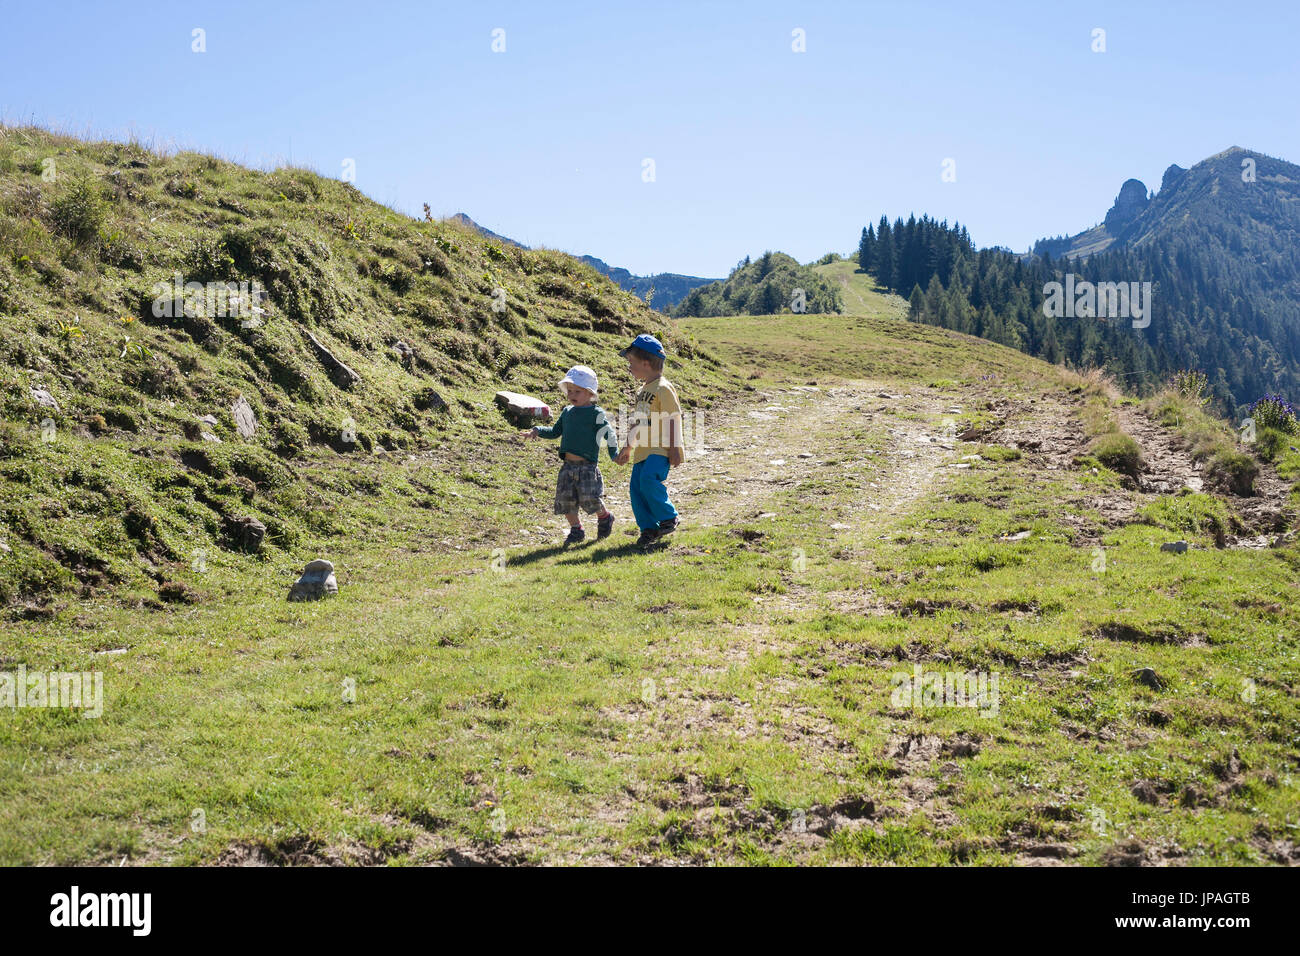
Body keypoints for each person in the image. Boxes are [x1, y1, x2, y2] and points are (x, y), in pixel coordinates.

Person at [519, 365, 619, 545]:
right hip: (567, 466)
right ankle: (576, 530)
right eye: (570, 390)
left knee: (590, 499)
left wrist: (614, 454)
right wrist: (537, 430)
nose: (572, 394)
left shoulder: (596, 413)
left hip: (587, 467)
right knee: (565, 501)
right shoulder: (567, 412)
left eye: (577, 391)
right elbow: (555, 432)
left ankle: (604, 517)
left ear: (590, 393)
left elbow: (608, 434)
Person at [614, 334, 684, 550]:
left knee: (648, 480)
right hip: (642, 451)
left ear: (645, 364)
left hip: (660, 448)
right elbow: (638, 423)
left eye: (631, 363)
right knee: (636, 488)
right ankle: (649, 529)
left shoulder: (663, 388)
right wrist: (627, 447)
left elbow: (674, 417)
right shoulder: (643, 391)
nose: (629, 367)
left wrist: (675, 448)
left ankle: (668, 517)